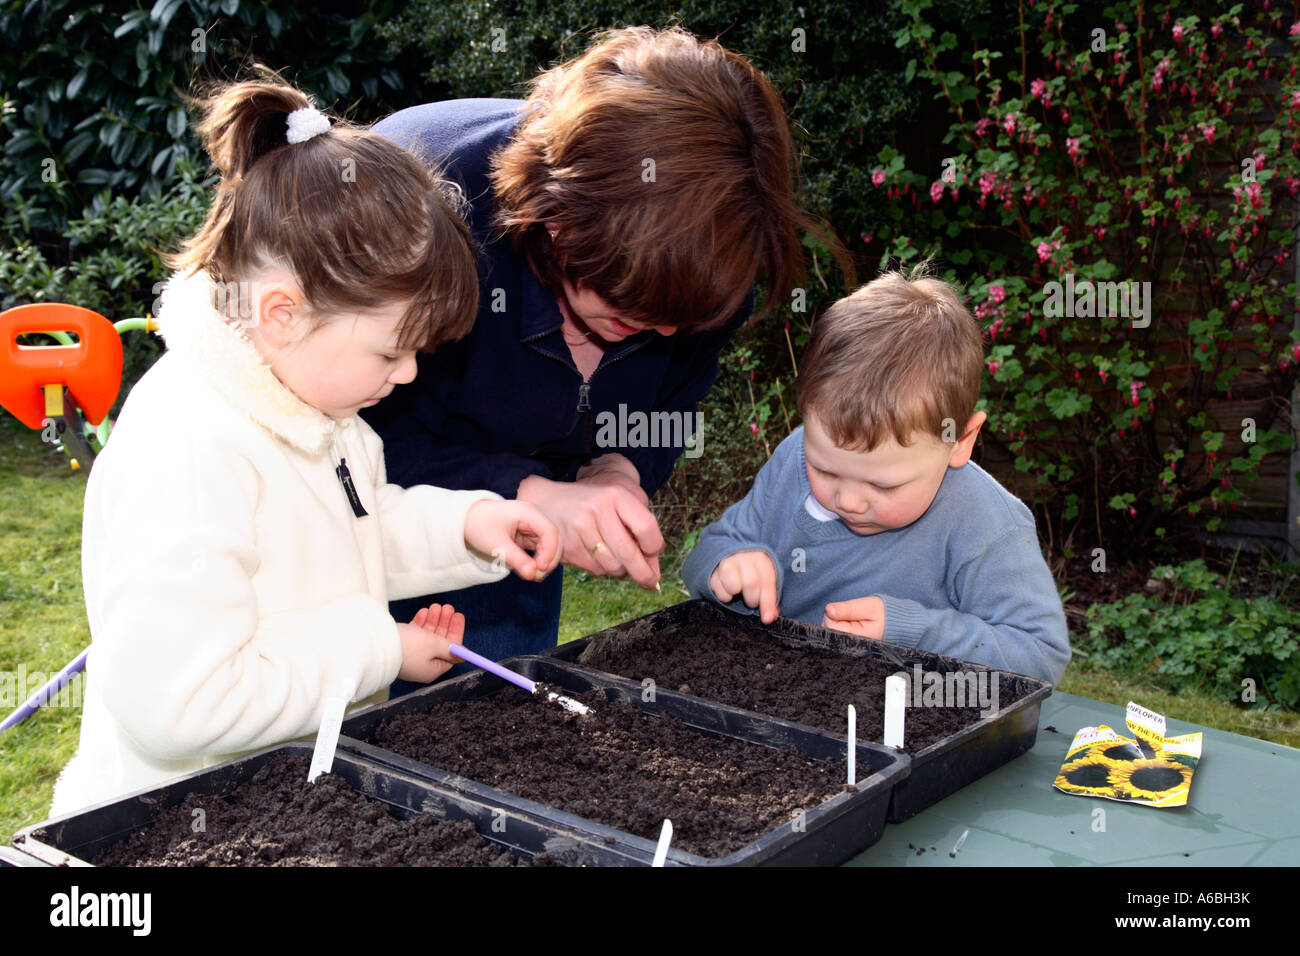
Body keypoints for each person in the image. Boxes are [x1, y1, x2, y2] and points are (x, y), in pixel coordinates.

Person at [49, 78, 559, 816]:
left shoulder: (322, 408)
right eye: (392, 352)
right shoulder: (191, 450)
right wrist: (379, 650)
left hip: (288, 800)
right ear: (283, 313)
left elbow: (349, 528)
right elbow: (182, 706)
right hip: (175, 822)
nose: (409, 373)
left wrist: (467, 525)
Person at [363, 26, 851, 685]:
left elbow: (673, 402)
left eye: (679, 319)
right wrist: (534, 494)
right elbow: (351, 444)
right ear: (557, 218)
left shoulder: (715, 259)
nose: (660, 335)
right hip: (350, 542)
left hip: (515, 558)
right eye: (628, 309)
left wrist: (619, 470)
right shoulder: (428, 204)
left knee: (489, 715)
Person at [680, 268, 1071, 685]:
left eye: (883, 485)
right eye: (824, 469)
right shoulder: (792, 458)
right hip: (780, 699)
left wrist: (910, 632)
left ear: (960, 440)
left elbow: (1040, 654)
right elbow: (706, 553)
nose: (848, 500)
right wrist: (728, 566)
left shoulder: (986, 523)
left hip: (905, 726)